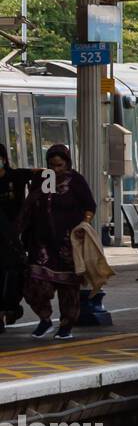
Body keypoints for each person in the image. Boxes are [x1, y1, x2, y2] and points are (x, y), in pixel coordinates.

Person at [18, 144, 96, 339]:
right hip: (42, 244)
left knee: (68, 289)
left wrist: (83, 225)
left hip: (67, 244)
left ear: (67, 163)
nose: (56, 169)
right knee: (34, 284)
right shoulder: (42, 180)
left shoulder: (76, 181)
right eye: (52, 165)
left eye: (59, 165)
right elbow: (29, 206)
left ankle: (66, 325)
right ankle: (45, 319)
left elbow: (89, 205)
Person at [0, 144, 35, 331]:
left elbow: (42, 174)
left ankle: (11, 308)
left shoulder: (17, 176)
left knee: (12, 274)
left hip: (11, 239)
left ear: (4, 159)